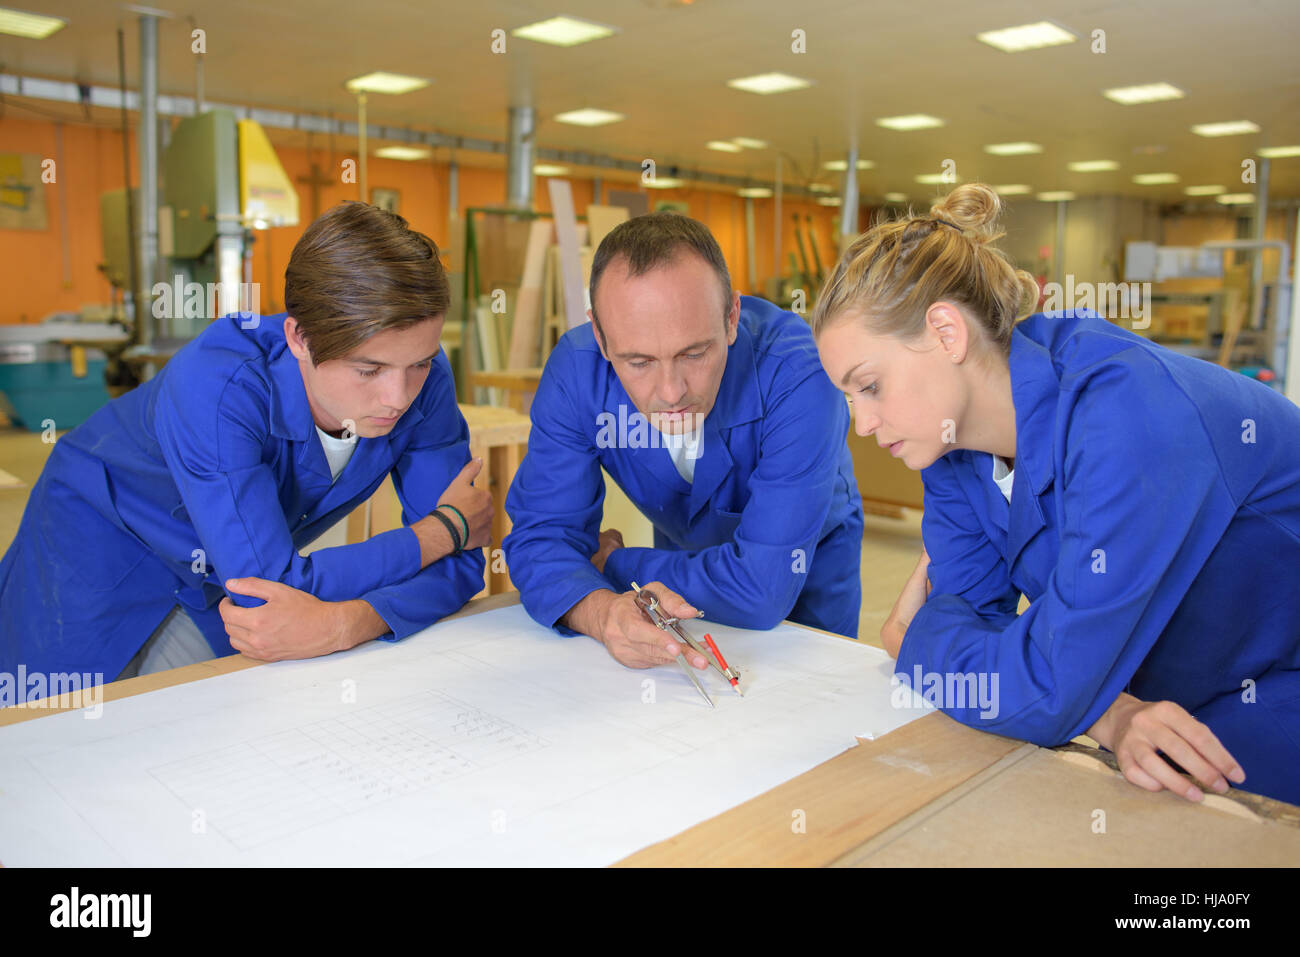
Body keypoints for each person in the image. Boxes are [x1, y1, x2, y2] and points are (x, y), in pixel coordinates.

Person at [812, 182, 1300, 806]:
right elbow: (978, 621)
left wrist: (917, 648)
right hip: (1152, 695)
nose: (861, 424)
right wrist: (1107, 712)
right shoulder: (951, 448)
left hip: (1269, 687)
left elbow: (1041, 688)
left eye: (870, 386)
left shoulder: (1129, 412)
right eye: (849, 397)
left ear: (946, 332)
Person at [0, 201, 491, 692]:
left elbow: (465, 564)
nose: (399, 397)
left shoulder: (426, 379)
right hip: (99, 538)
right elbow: (269, 587)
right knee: (60, 719)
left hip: (226, 566)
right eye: (369, 370)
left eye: (419, 364)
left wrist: (350, 622)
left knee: (227, 711)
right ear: (299, 339)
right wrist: (440, 531)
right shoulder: (216, 384)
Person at [504, 212, 863, 672]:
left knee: (812, 696)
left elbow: (763, 589)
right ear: (600, 336)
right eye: (639, 362)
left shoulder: (800, 372)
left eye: (694, 353)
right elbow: (541, 538)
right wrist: (601, 612)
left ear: (731, 317)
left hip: (805, 571)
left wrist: (612, 564)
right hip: (678, 576)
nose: (672, 392)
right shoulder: (578, 370)